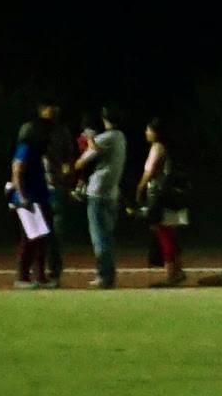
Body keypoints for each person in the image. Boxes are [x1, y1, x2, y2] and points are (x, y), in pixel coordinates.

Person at [64, 105, 127, 290]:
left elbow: (82, 161)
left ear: (105, 119)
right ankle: (109, 275)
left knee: (99, 237)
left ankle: (104, 276)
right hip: (112, 193)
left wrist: (88, 136)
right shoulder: (121, 137)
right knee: (107, 235)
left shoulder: (107, 137)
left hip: (98, 193)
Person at [5, 105, 64, 286]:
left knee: (43, 237)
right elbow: (17, 169)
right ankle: (22, 277)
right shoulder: (26, 146)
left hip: (39, 195)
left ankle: (41, 276)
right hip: (28, 197)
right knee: (31, 238)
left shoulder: (39, 150)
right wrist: (22, 197)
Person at [133, 118, 189, 284]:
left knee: (163, 234)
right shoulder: (170, 148)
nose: (146, 133)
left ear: (155, 132)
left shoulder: (157, 147)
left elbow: (149, 171)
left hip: (160, 197)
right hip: (171, 197)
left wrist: (139, 188)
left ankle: (172, 273)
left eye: (148, 130)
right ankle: (177, 269)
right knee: (170, 234)